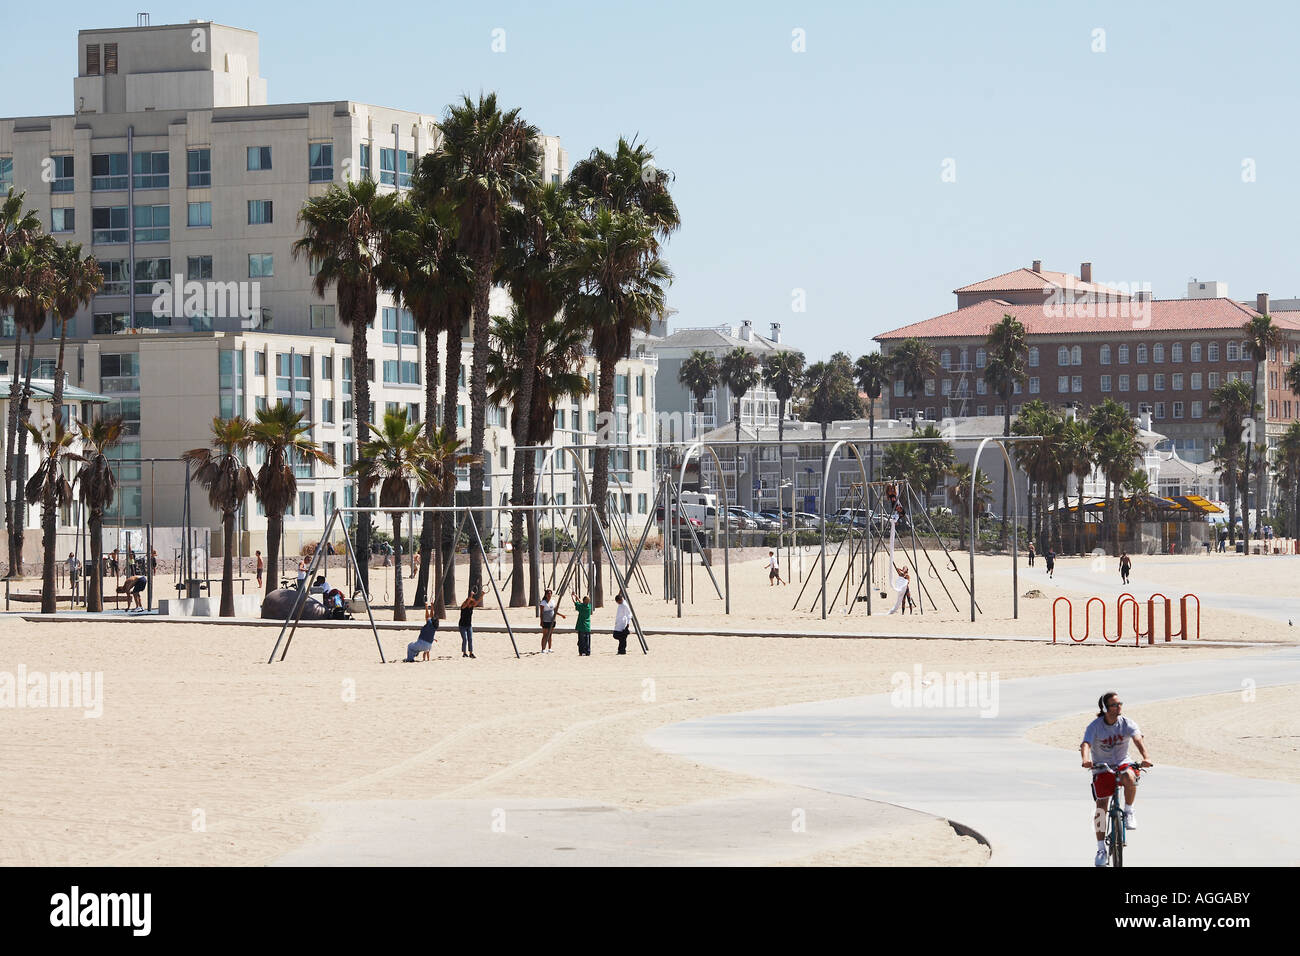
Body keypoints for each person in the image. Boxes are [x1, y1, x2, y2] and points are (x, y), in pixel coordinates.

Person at [1081, 691, 1153, 867]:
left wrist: (1146, 757)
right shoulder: (1095, 726)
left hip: (1122, 763)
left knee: (1129, 776)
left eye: (1120, 703)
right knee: (1101, 807)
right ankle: (1100, 849)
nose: (1118, 706)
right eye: (1114, 704)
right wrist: (1085, 760)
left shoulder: (1127, 723)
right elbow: (1086, 744)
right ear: (1105, 708)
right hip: (1102, 766)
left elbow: (1137, 739)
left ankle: (1129, 811)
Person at [459, 588, 484, 658]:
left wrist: (482, 595)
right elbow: (467, 602)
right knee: (465, 639)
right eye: (471, 604)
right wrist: (471, 595)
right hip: (462, 625)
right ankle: (464, 653)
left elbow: (477, 602)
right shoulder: (463, 607)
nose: (472, 605)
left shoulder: (471, 607)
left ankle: (471, 653)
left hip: (469, 625)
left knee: (470, 639)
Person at [538, 588, 565, 654]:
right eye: (548, 594)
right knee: (545, 635)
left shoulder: (553, 601)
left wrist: (561, 615)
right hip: (545, 620)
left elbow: (555, 611)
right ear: (546, 595)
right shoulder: (543, 602)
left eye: (550, 594)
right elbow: (541, 613)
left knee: (550, 635)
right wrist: (541, 621)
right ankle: (543, 648)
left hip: (552, 620)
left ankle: (549, 648)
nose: (549, 595)